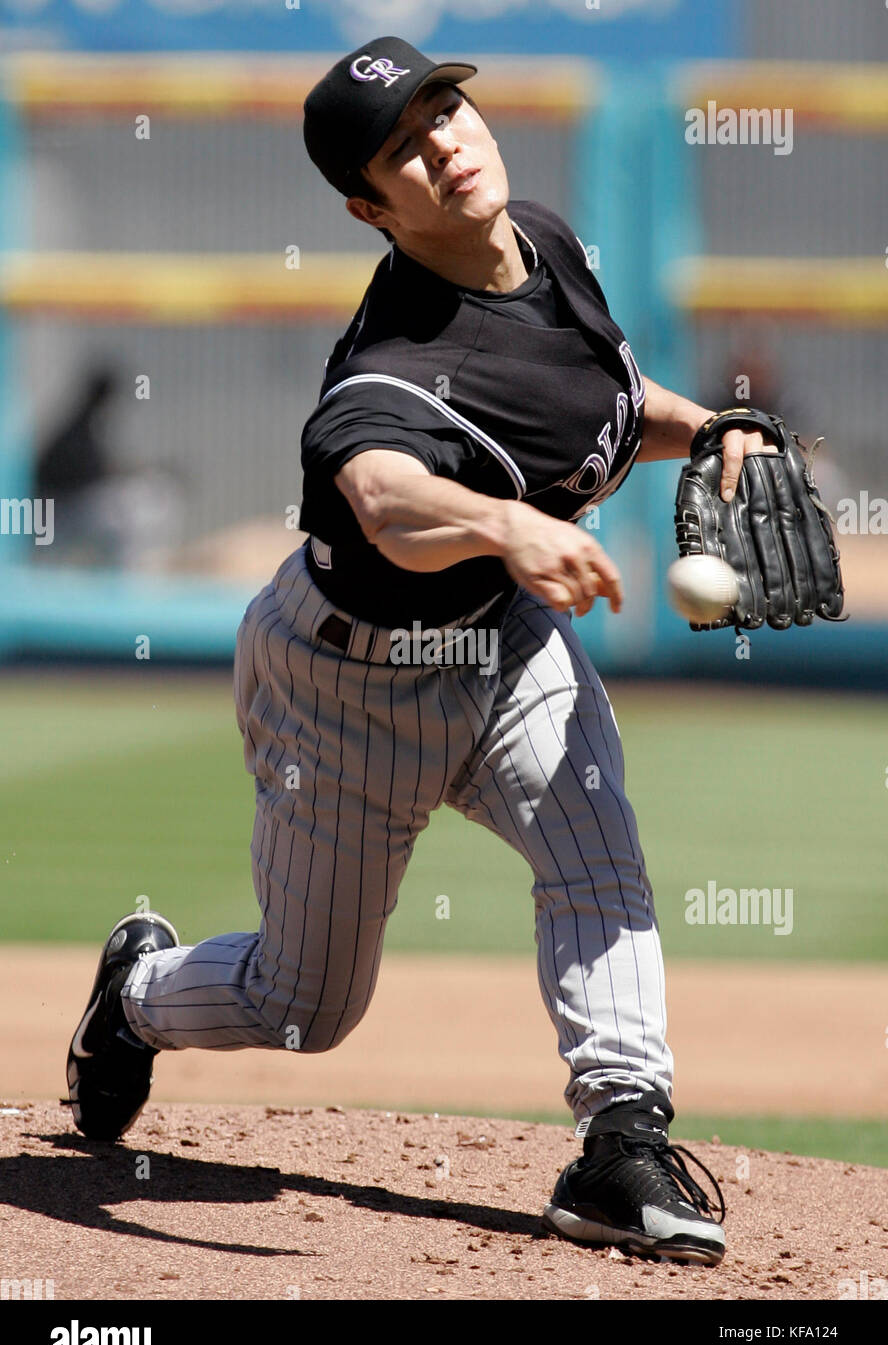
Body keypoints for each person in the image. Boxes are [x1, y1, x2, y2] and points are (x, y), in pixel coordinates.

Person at [67, 35, 774, 1266]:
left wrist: (711, 422)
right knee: (307, 1008)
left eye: (446, 107)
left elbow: (601, 398)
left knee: (599, 860)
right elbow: (387, 494)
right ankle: (135, 992)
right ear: (368, 207)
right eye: (406, 145)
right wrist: (508, 524)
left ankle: (621, 1141)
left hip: (505, 645)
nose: (446, 140)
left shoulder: (540, 242)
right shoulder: (392, 370)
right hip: (347, 687)